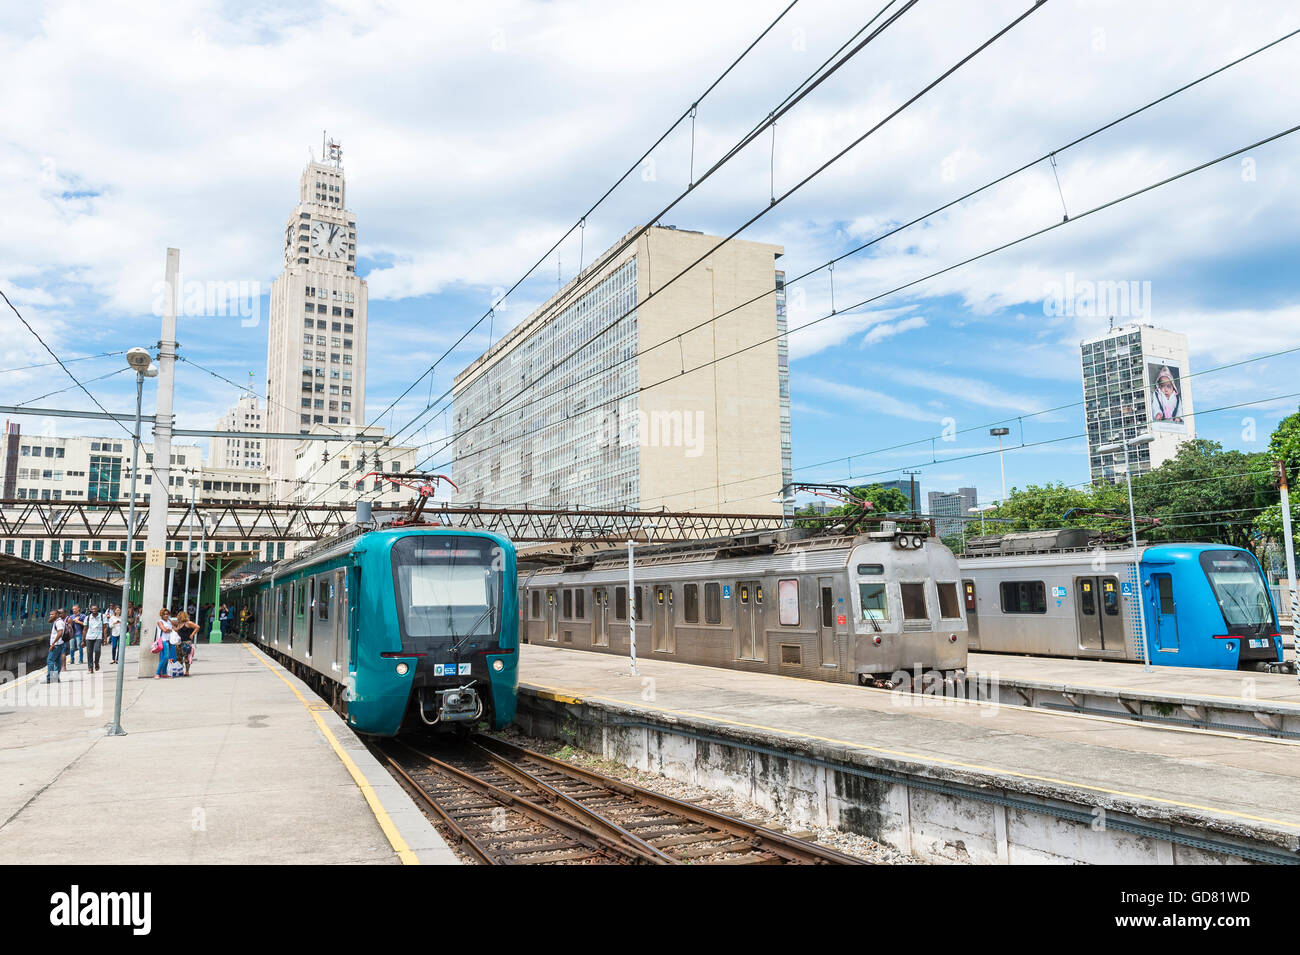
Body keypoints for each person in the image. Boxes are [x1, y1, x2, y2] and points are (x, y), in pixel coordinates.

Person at [153, 608, 176, 679]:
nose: (166, 615)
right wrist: (169, 630)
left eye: (167, 614)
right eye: (164, 614)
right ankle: (157, 673)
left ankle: (164, 673)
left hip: (170, 641)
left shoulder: (169, 621)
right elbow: (164, 630)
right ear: (161, 615)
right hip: (163, 640)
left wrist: (170, 626)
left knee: (166, 657)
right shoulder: (160, 621)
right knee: (165, 656)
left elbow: (175, 628)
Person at [175, 611, 199, 676]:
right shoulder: (179, 624)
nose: (177, 617)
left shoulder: (188, 623)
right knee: (179, 657)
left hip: (186, 642)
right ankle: (180, 670)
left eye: (179, 615)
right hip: (179, 642)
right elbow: (177, 630)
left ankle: (187, 671)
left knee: (186, 657)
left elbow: (197, 627)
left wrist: (192, 634)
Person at [46, 609, 65, 683]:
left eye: (52, 614)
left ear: (57, 615)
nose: (50, 616)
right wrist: (52, 617)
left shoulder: (59, 622)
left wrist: (53, 643)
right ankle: (56, 678)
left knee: (50, 660)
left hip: (56, 645)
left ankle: (50, 678)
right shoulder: (56, 621)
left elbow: (60, 633)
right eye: (50, 614)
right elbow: (49, 621)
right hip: (59, 644)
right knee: (57, 661)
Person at [84, 604, 104, 674]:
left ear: (98, 609)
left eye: (95, 609)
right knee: (89, 653)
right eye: (93, 609)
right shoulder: (87, 617)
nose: (94, 610)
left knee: (97, 650)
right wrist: (83, 640)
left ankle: (96, 662)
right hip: (89, 637)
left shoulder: (102, 616)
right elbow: (85, 629)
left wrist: (105, 638)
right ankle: (90, 667)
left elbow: (104, 627)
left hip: (98, 636)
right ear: (91, 610)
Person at [65, 604, 85, 669]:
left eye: (75, 609)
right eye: (73, 609)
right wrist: (72, 621)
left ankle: (81, 660)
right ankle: (72, 660)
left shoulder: (82, 616)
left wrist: (78, 621)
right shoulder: (71, 616)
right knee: (71, 647)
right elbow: (67, 624)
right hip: (72, 634)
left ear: (78, 609)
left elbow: (86, 624)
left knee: (79, 647)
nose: (74, 610)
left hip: (79, 633)